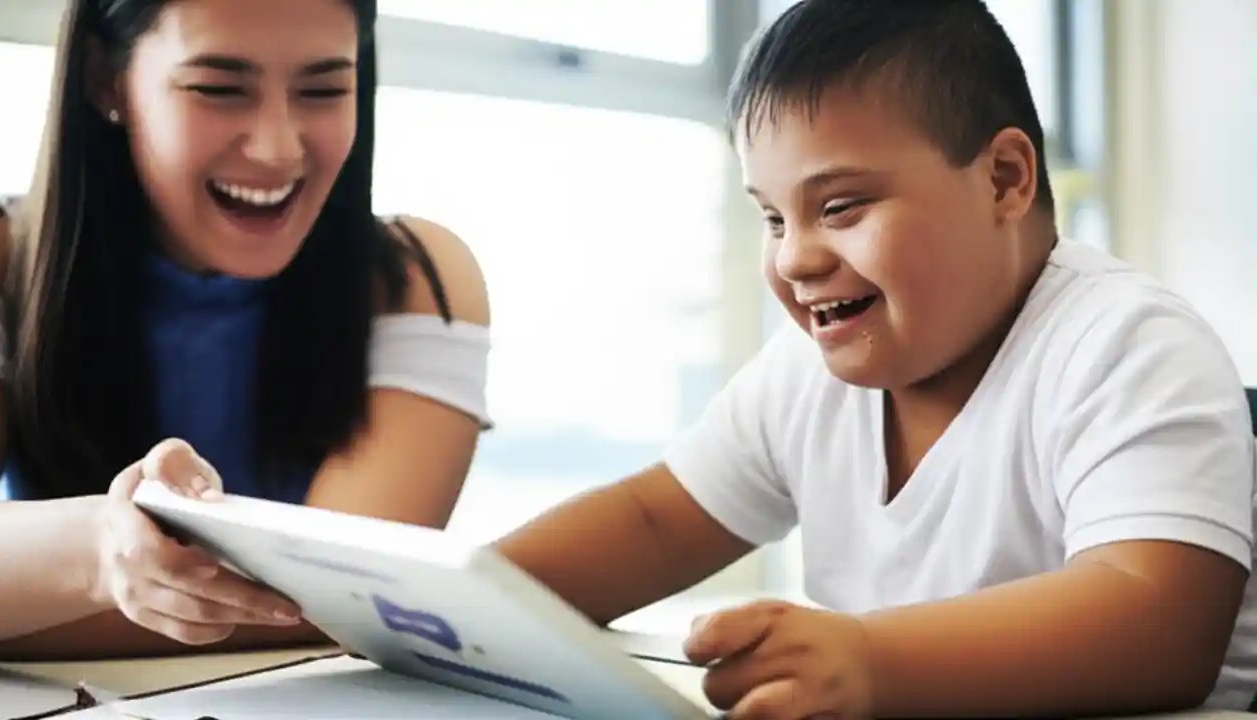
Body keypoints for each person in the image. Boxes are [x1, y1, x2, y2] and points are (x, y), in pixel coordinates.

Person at [496, 1, 1257, 716]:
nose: (794, 258)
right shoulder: (805, 376)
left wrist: (869, 660)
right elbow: (657, 520)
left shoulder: (1126, 343)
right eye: (771, 216)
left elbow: (1159, 621)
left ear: (1005, 180)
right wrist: (457, 602)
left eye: (839, 208)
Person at [0, 0, 491, 659]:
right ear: (104, 79)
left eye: (325, 88)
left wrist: (16, 596)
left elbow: (355, 596)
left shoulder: (415, 278)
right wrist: (103, 547)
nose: (276, 147)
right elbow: (320, 603)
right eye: (218, 89)